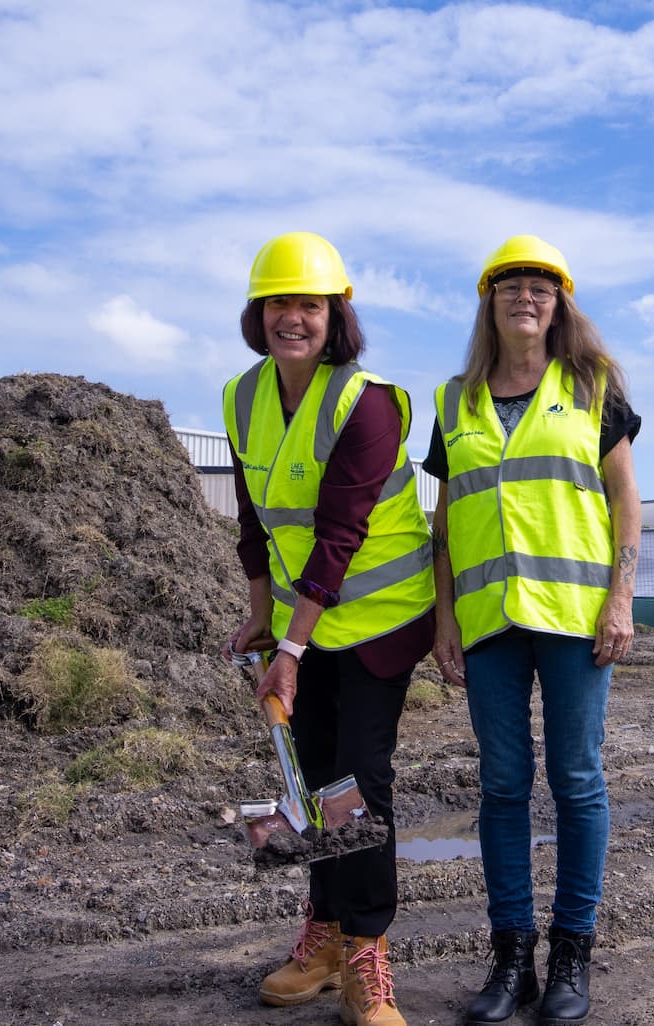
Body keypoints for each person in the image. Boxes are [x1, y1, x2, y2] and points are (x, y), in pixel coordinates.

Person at [423, 235, 641, 1026]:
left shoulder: (591, 387)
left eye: (541, 286)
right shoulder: (455, 402)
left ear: (560, 304)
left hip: (577, 621)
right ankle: (511, 956)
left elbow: (625, 502)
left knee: (577, 782)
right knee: (503, 788)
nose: (526, 296)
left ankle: (571, 954)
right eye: (510, 284)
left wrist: (620, 600)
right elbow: (443, 527)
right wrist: (442, 617)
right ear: (490, 301)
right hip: (488, 625)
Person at [222, 231, 435, 1026]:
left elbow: (341, 532)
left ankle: (368, 958)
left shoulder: (368, 400)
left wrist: (289, 648)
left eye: (308, 304)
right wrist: (258, 614)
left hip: (379, 622)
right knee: (310, 785)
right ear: (259, 313)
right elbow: (254, 517)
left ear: (335, 314)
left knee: (358, 781)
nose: (292, 318)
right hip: (300, 628)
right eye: (278, 302)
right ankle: (325, 936)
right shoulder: (242, 398)